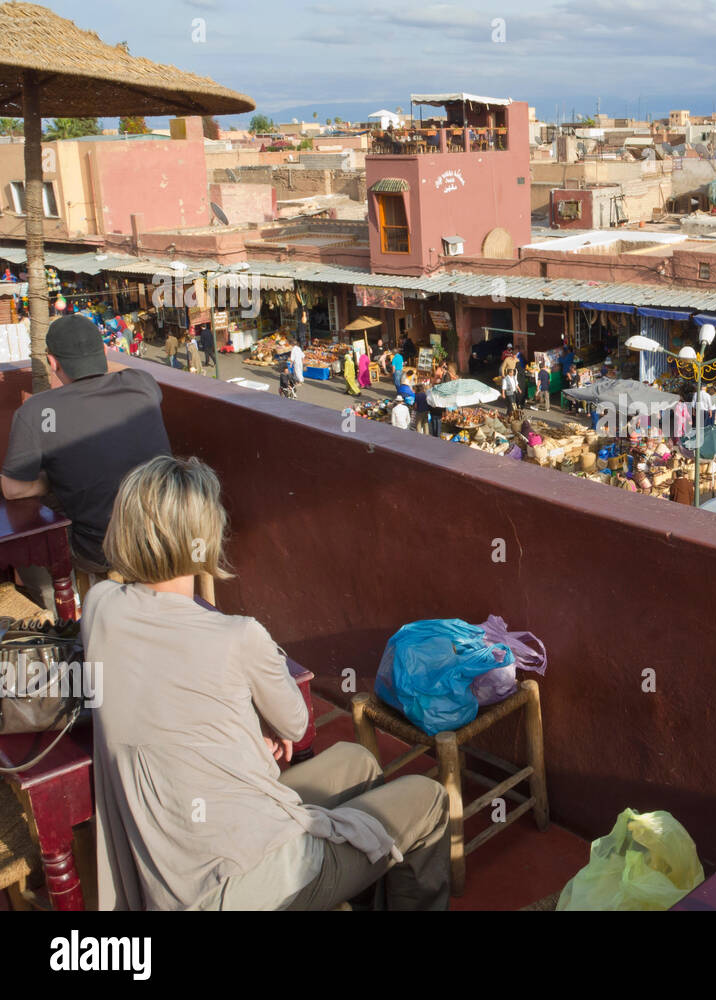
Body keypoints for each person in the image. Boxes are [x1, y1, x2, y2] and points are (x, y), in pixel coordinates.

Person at [85, 455, 451, 910]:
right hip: (242, 883)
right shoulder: (238, 637)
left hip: (172, 866)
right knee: (431, 798)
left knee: (358, 762)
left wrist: (244, 729)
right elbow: (296, 727)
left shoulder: (99, 609)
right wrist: (260, 720)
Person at [1, 313, 171, 578]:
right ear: (105, 351)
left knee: (35, 544)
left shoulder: (38, 411)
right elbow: (116, 372)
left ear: (52, 362)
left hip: (105, 552)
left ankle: (63, 607)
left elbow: (12, 489)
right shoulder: (143, 383)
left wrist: (52, 480)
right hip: (170, 534)